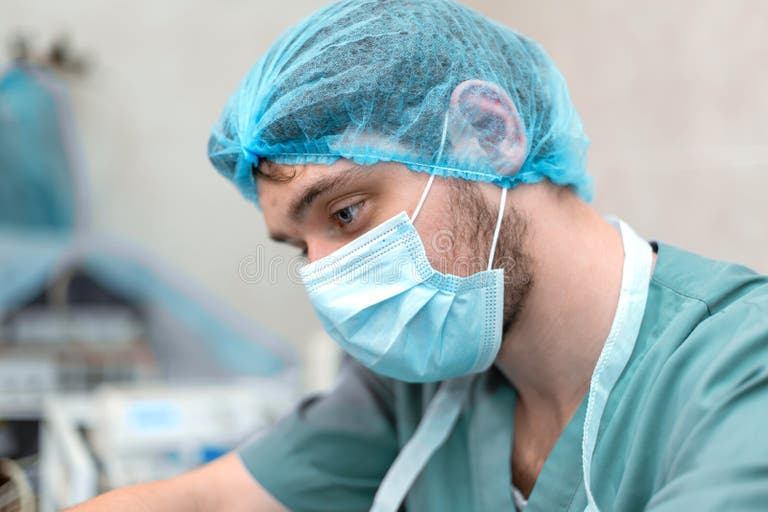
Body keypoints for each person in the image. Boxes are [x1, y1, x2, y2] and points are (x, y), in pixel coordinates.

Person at [69, 0, 768, 511]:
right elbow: (207, 502)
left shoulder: (741, 370)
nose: (325, 274)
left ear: (487, 133)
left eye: (346, 213)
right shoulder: (419, 385)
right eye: (300, 248)